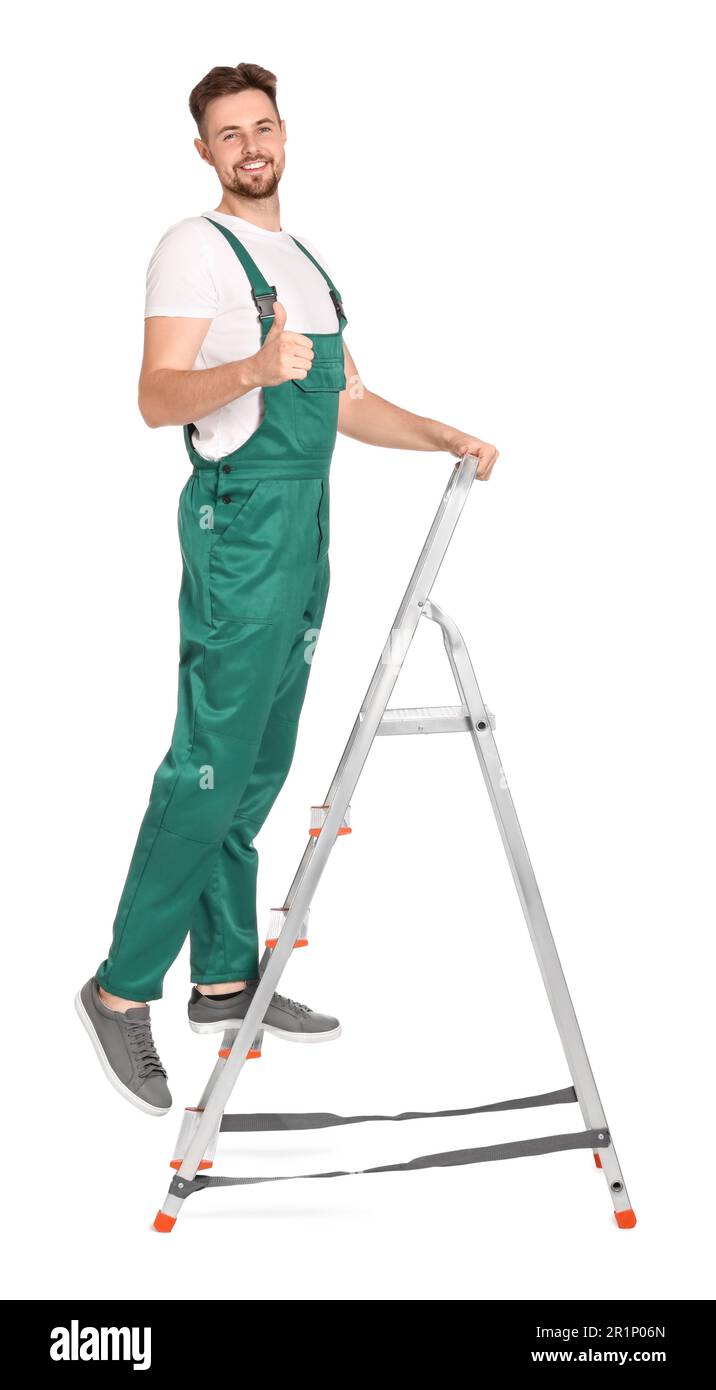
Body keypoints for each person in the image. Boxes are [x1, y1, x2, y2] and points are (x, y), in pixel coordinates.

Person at [75, 62, 500, 1117]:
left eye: (263, 127)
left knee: (260, 756)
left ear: (282, 133)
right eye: (229, 134)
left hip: (305, 522)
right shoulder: (192, 248)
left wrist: (439, 431)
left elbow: (347, 402)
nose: (251, 147)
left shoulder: (304, 263)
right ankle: (120, 985)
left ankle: (224, 980)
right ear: (204, 151)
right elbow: (152, 397)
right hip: (240, 522)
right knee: (209, 760)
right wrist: (250, 372)